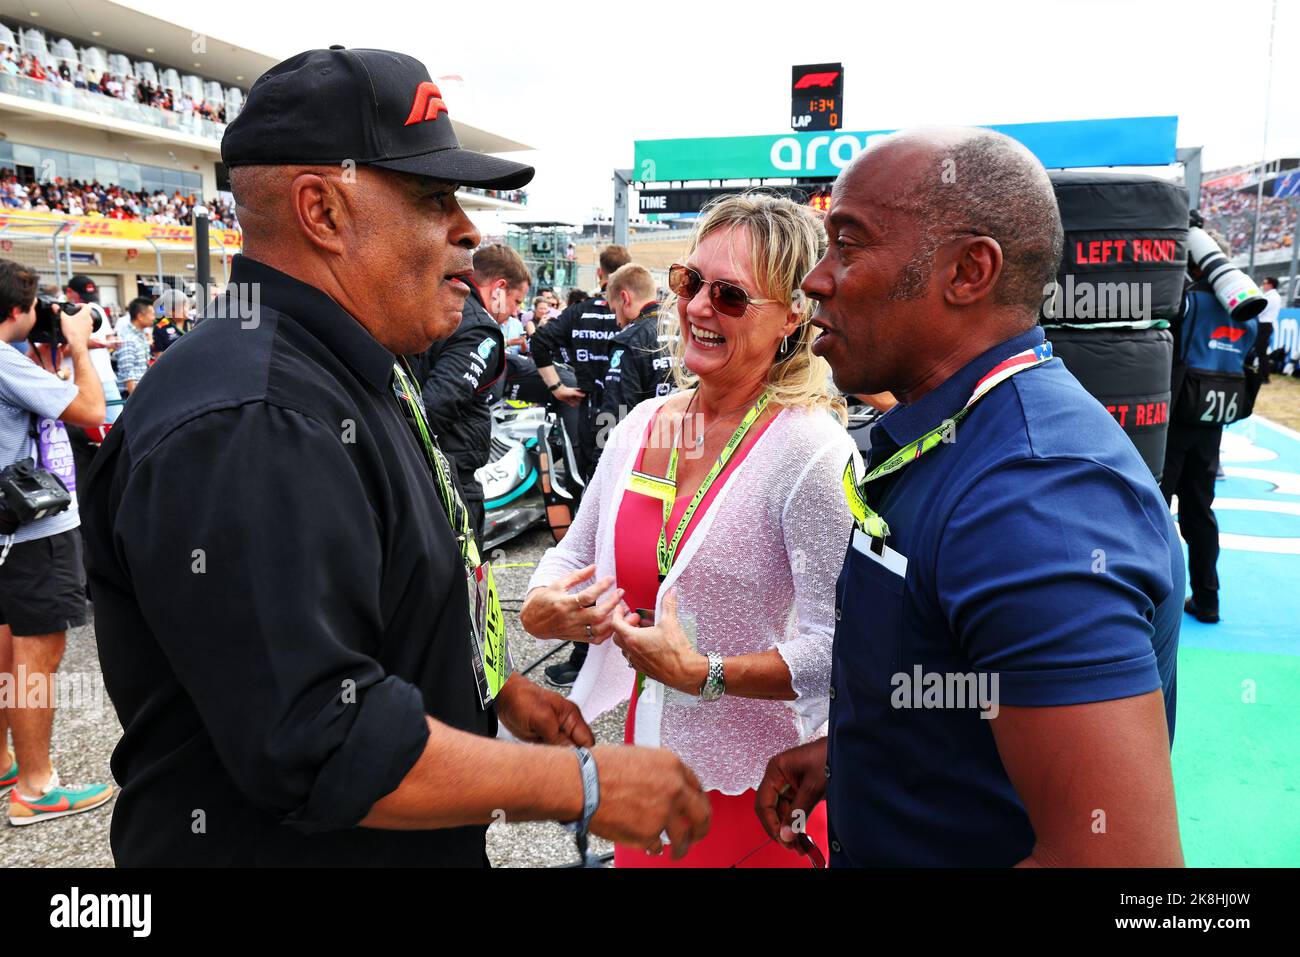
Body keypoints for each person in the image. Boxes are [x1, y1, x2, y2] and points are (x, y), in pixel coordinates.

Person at [80, 46, 709, 867]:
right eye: (432, 196)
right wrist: (581, 784)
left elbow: (392, 595)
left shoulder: (340, 364)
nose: (467, 230)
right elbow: (319, 737)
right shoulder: (256, 414)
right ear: (323, 210)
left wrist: (495, 690)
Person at [758, 128, 1185, 867]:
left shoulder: (1031, 496)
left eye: (849, 245)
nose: (817, 279)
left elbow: (1116, 861)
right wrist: (860, 753)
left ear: (967, 271)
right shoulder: (954, 428)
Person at [522, 193, 854, 867]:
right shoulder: (646, 423)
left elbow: (841, 647)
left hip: (758, 790)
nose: (699, 307)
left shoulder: (812, 451)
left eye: (731, 296)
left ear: (792, 313)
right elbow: (573, 554)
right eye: (690, 282)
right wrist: (542, 606)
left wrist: (707, 672)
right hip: (647, 778)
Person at [0, 259, 114, 825]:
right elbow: (91, 410)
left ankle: (3, 761)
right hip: (30, 533)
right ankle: (36, 787)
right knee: (34, 659)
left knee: (5, 647)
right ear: (18, 311)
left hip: (5, 535)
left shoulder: (14, 359)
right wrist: (80, 348)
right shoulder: (5, 362)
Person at [1161, 231, 1258, 625]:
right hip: (1213, 423)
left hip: (1173, 419)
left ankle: (1150, 601)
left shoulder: (1188, 302)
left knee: (1154, 508)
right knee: (1200, 512)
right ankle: (1207, 598)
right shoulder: (1246, 311)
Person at [411, 242, 527, 547]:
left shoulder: (437, 303)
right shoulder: (479, 329)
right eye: (516, 301)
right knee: (464, 587)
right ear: (499, 288)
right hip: (448, 477)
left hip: (427, 472)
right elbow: (439, 403)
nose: (515, 312)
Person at [530, 244, 628, 479]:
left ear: (599, 273)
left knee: (591, 481)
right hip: (626, 412)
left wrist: (557, 388)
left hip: (591, 410)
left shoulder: (579, 312)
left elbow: (538, 341)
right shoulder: (636, 315)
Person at [596, 262, 675, 459]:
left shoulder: (628, 341)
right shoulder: (683, 330)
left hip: (645, 454)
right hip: (690, 446)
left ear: (624, 298)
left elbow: (616, 411)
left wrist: (600, 463)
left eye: (615, 311)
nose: (617, 321)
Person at [115, 297, 155, 396]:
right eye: (152, 314)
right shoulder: (129, 338)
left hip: (139, 391)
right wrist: (135, 400)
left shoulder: (140, 335)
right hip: (131, 394)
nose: (154, 318)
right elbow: (128, 374)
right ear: (140, 316)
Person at [1255, 276, 1281, 383]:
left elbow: (1261, 310)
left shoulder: (1272, 297)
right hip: (1263, 325)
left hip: (1264, 325)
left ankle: (1264, 377)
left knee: (1261, 351)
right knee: (1259, 350)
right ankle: (1261, 374)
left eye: (1265, 283)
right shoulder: (1269, 296)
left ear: (1270, 285)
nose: (1263, 285)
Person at [151, 289, 191, 355]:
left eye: (187, 305)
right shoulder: (160, 328)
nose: (187, 309)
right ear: (170, 311)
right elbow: (158, 355)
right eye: (183, 307)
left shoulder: (195, 323)